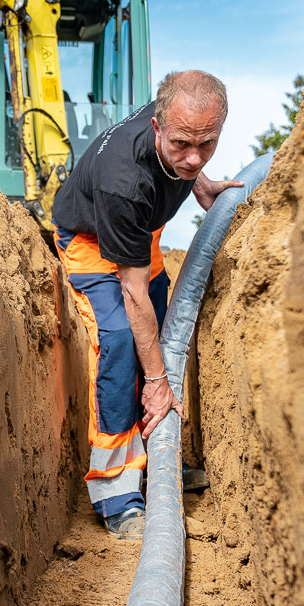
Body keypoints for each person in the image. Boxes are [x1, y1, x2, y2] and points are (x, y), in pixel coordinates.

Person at [51, 70, 242, 539]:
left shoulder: (180, 121)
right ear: (157, 127)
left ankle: (158, 462)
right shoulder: (124, 182)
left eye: (207, 144)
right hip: (93, 239)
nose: (193, 157)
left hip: (140, 234)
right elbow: (132, 293)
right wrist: (157, 380)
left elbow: (190, 156)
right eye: (181, 145)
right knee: (121, 340)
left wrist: (200, 184)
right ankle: (116, 491)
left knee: (154, 330)